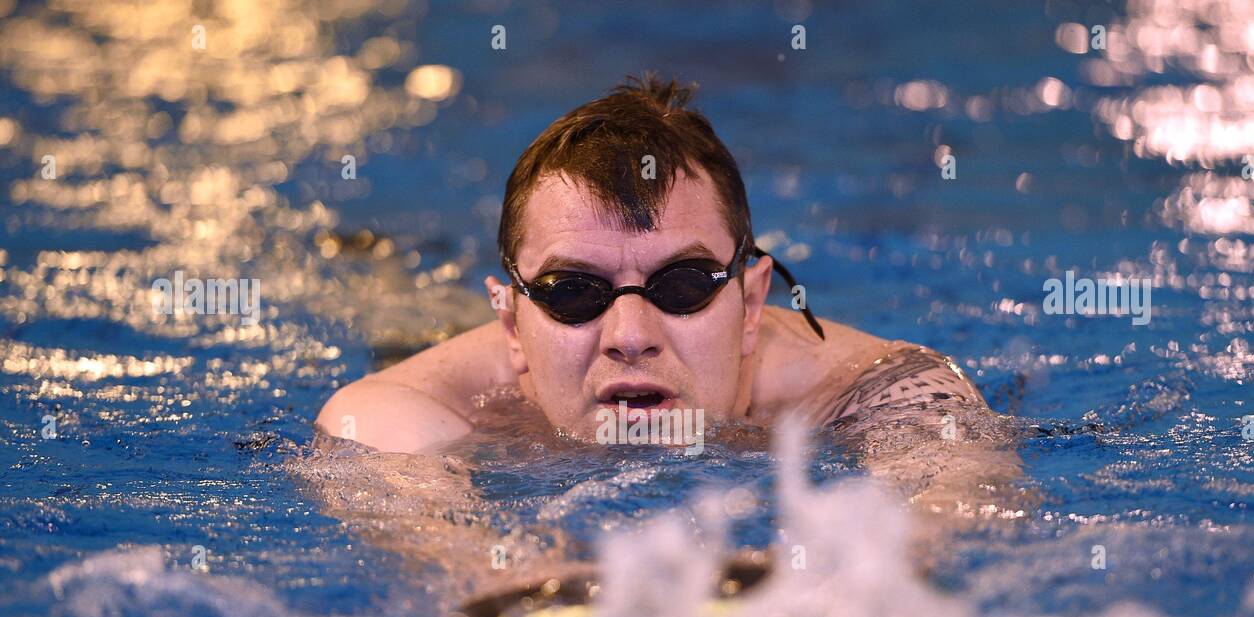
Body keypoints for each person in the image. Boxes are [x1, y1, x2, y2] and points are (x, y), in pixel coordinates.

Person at [316, 75, 987, 457]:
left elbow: (944, 500)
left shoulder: (861, 393)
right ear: (512, 324)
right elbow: (372, 432)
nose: (630, 333)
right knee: (402, 318)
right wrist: (507, 574)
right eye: (573, 291)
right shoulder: (446, 403)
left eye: (684, 284)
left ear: (752, 305)